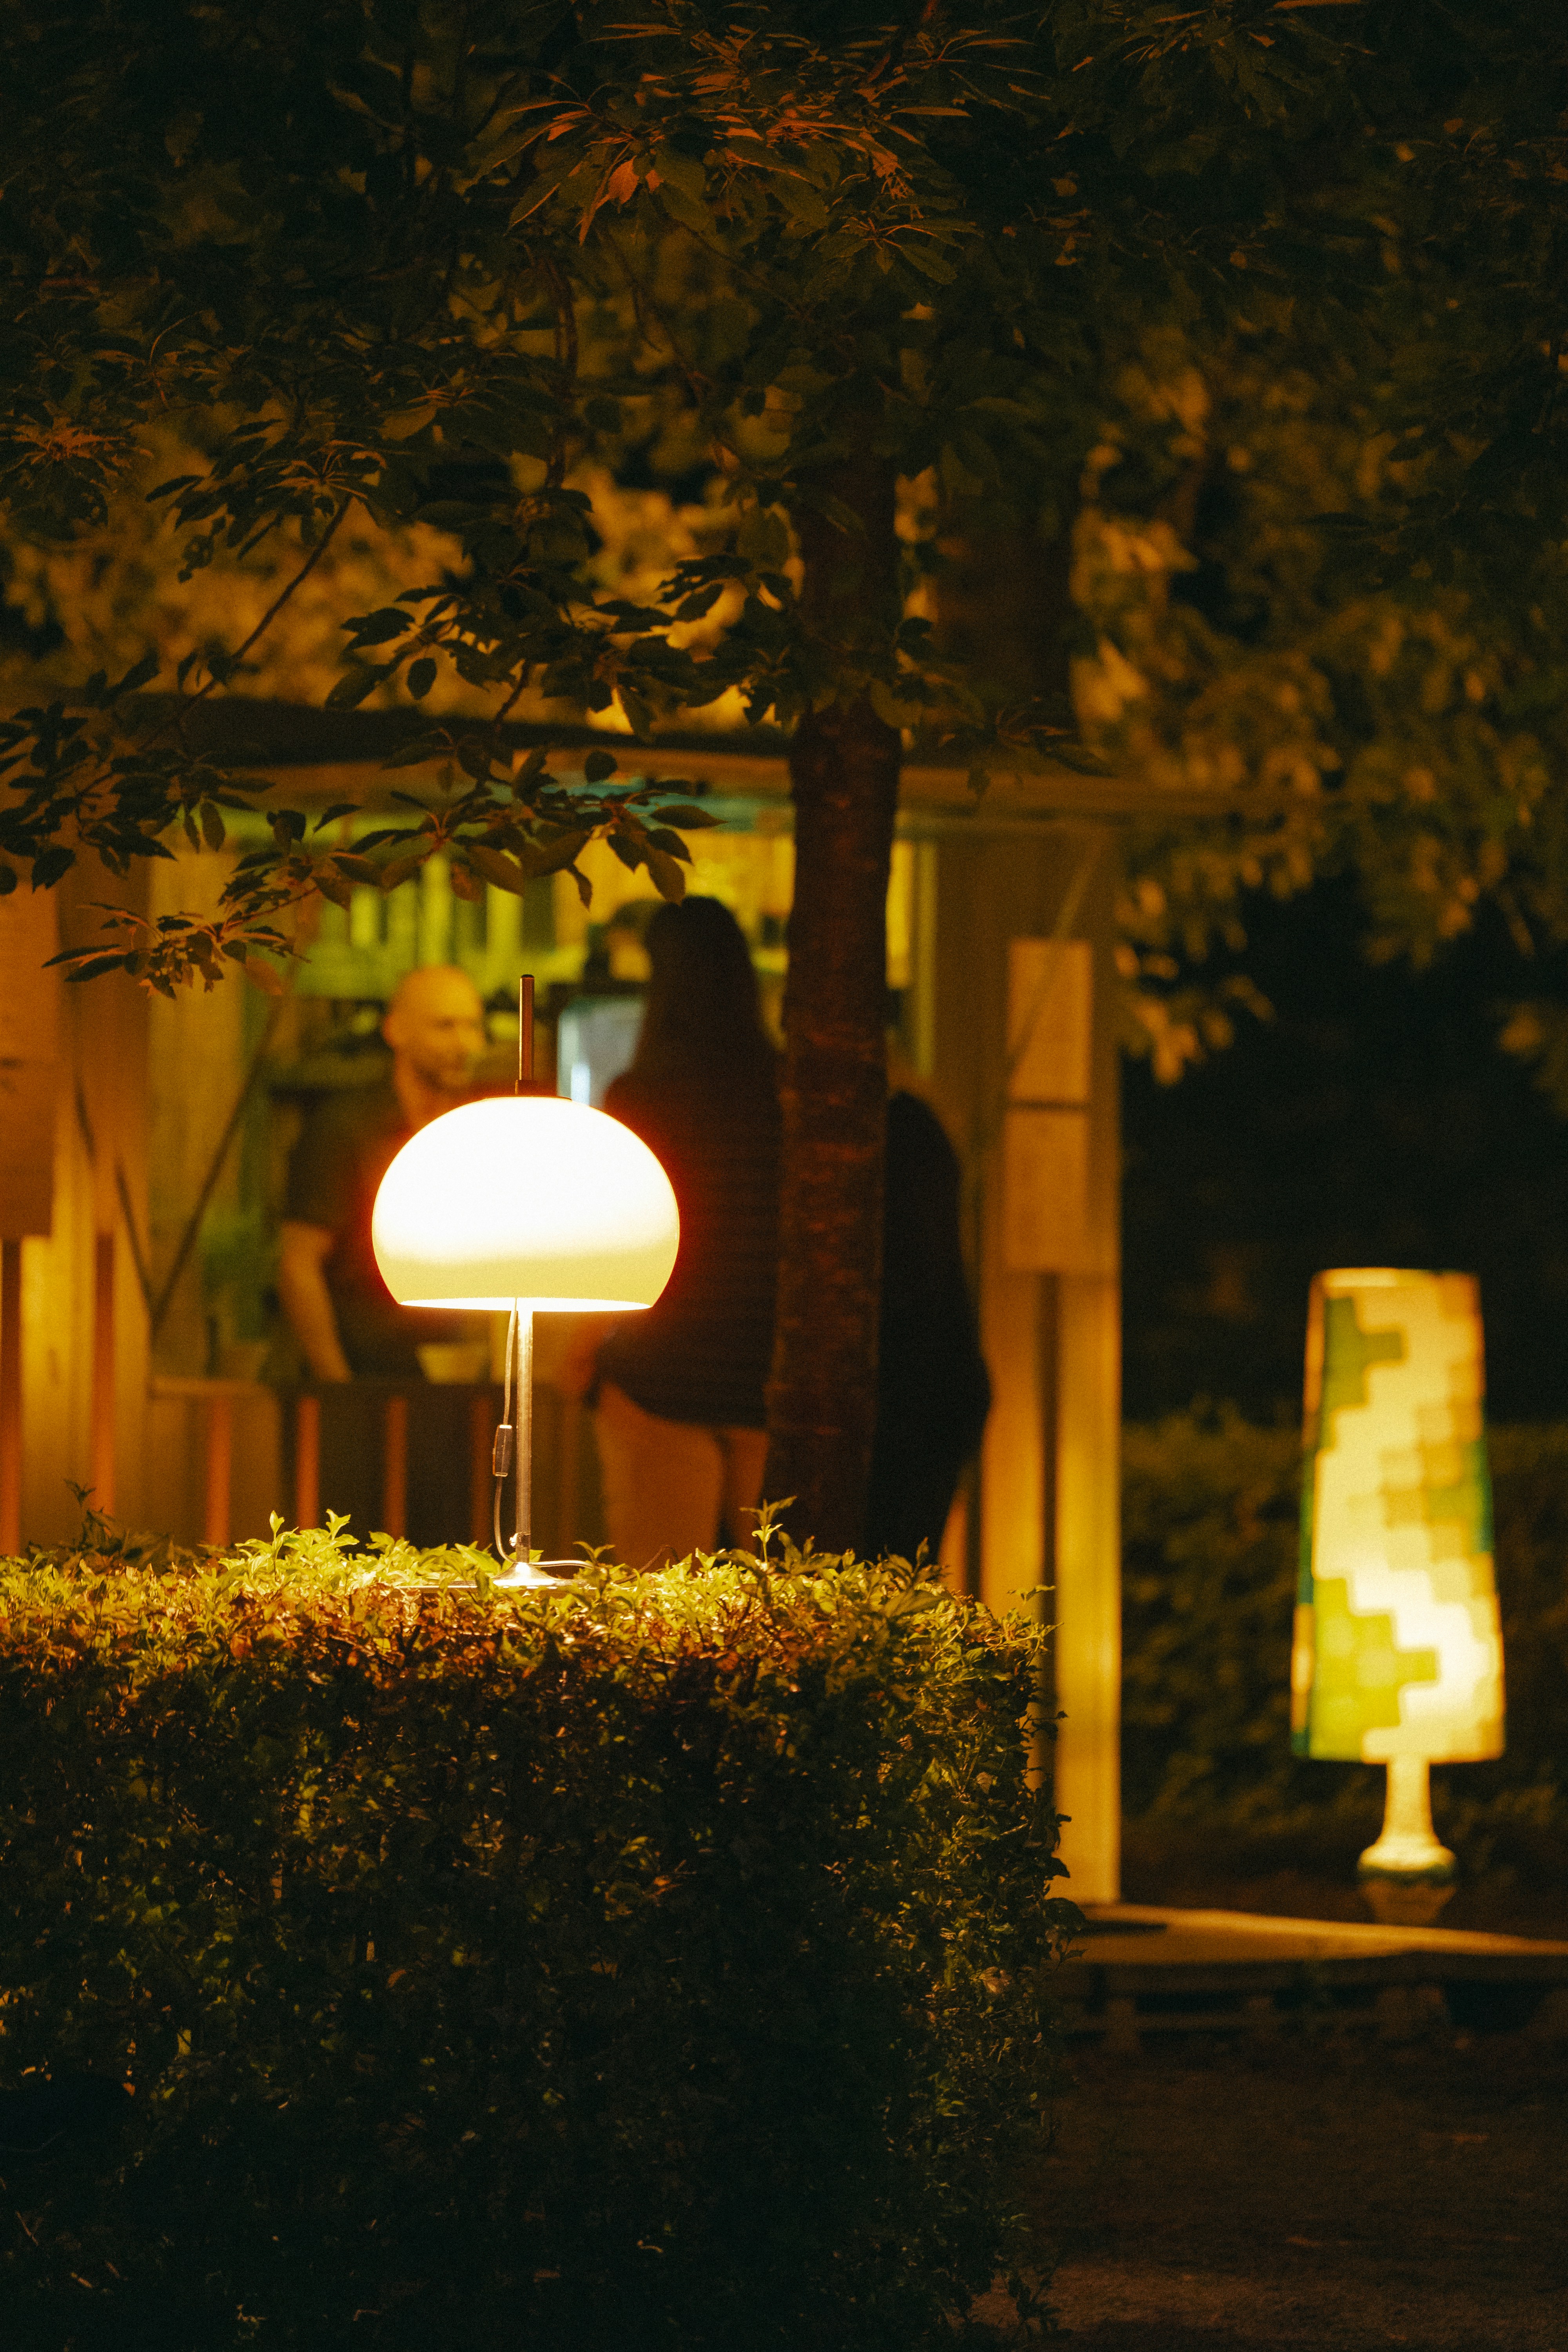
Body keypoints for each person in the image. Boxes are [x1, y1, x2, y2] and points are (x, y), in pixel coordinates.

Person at [585, 898, 782, 1569]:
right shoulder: (788, 1091)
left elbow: (612, 1245)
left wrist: (579, 1355)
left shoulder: (644, 1097)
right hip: (768, 1377)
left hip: (663, 1374)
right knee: (783, 1600)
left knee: (659, 1600)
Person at [279, 964, 488, 1381]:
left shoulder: (479, 1131)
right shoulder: (345, 1127)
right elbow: (297, 1262)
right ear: (396, 1031)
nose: (463, 1043)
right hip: (365, 1367)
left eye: (473, 1026)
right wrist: (336, 1381)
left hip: (457, 1370)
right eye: (444, 1026)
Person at [865, 1079, 991, 1563]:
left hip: (903, 1391)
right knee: (905, 1576)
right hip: (940, 1383)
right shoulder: (918, 1129)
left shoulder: (890, 1135)